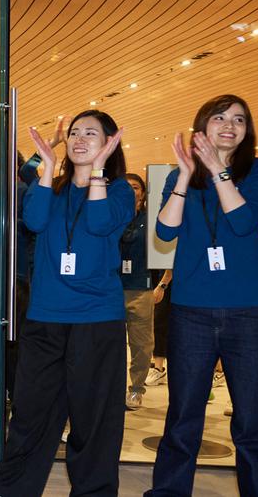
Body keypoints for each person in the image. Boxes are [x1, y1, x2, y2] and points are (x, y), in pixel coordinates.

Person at [0, 110, 133, 497]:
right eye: (75, 132)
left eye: (91, 134)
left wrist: (97, 171)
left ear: (110, 143)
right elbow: (33, 219)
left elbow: (99, 222)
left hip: (97, 320)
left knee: (93, 418)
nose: (80, 139)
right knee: (30, 413)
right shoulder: (53, 186)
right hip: (45, 316)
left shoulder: (119, 191)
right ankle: (9, 490)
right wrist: (46, 165)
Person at [148, 94, 258, 496]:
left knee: (254, 420)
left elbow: (242, 222)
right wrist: (185, 176)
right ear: (202, 126)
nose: (229, 125)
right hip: (191, 312)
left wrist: (220, 172)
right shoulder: (181, 175)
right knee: (183, 416)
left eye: (239, 119)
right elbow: (165, 231)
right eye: (219, 117)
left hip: (250, 312)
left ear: (247, 130)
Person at [121, 172, 153, 411]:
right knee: (110, 343)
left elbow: (166, 251)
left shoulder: (150, 219)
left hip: (141, 287)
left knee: (141, 344)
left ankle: (136, 389)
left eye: (135, 187)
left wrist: (163, 284)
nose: (131, 191)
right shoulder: (112, 216)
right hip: (111, 287)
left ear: (142, 192)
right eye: (127, 187)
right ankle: (111, 387)